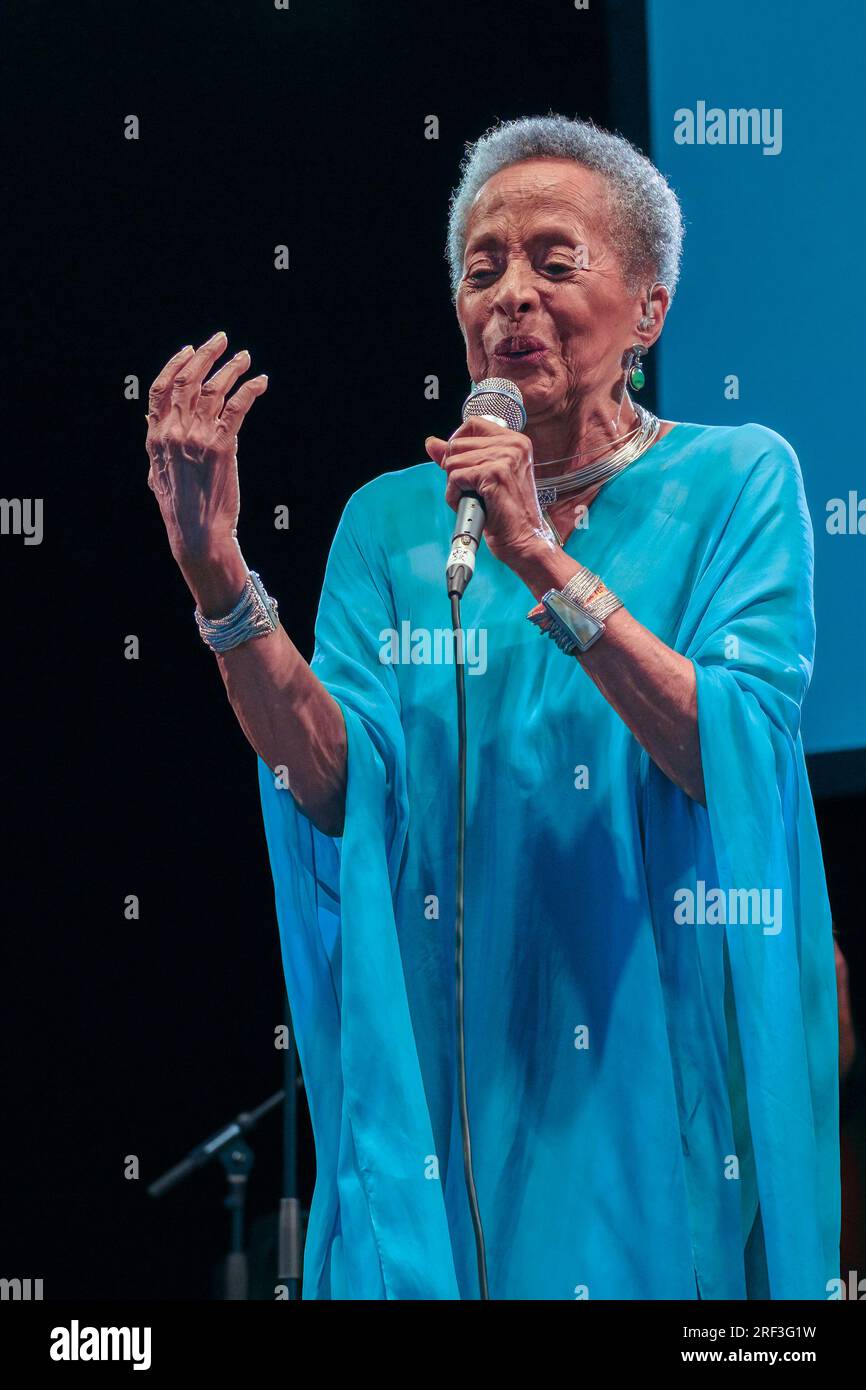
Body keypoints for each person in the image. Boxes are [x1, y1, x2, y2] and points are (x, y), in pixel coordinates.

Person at [144, 114, 839, 1300]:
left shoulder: (739, 479)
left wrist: (537, 558)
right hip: (447, 1066)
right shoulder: (387, 521)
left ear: (648, 312)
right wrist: (220, 580)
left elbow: (730, 749)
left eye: (552, 262)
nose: (508, 295)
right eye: (481, 268)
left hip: (643, 1049)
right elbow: (330, 784)